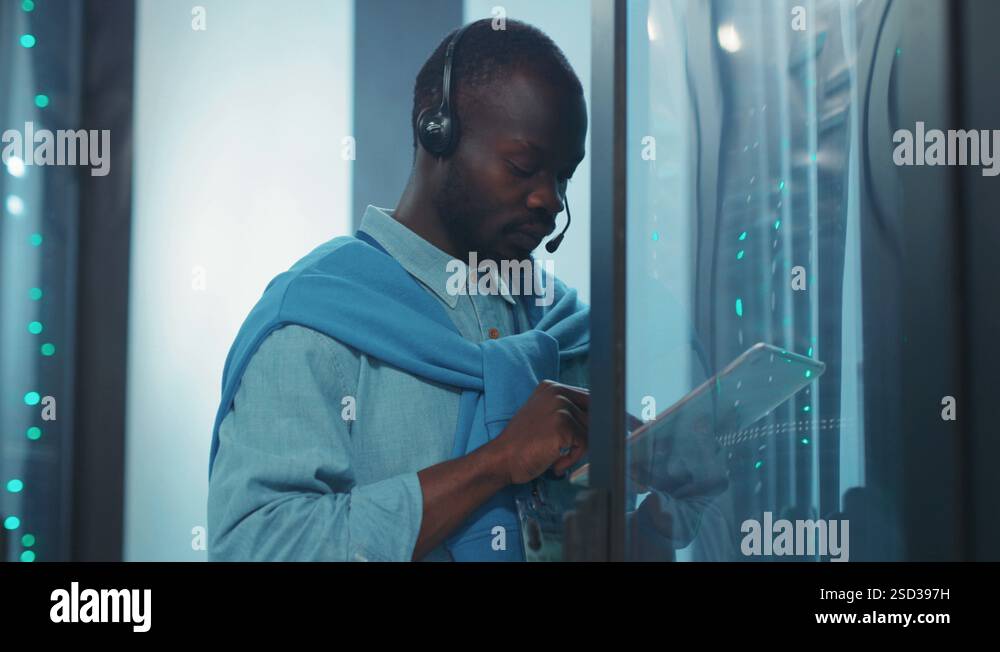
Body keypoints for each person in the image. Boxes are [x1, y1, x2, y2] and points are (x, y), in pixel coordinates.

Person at [207, 19, 686, 562]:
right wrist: (495, 462)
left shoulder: (566, 332)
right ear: (436, 130)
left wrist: (662, 516)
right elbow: (258, 548)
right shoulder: (315, 325)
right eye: (524, 167)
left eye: (563, 177)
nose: (550, 201)